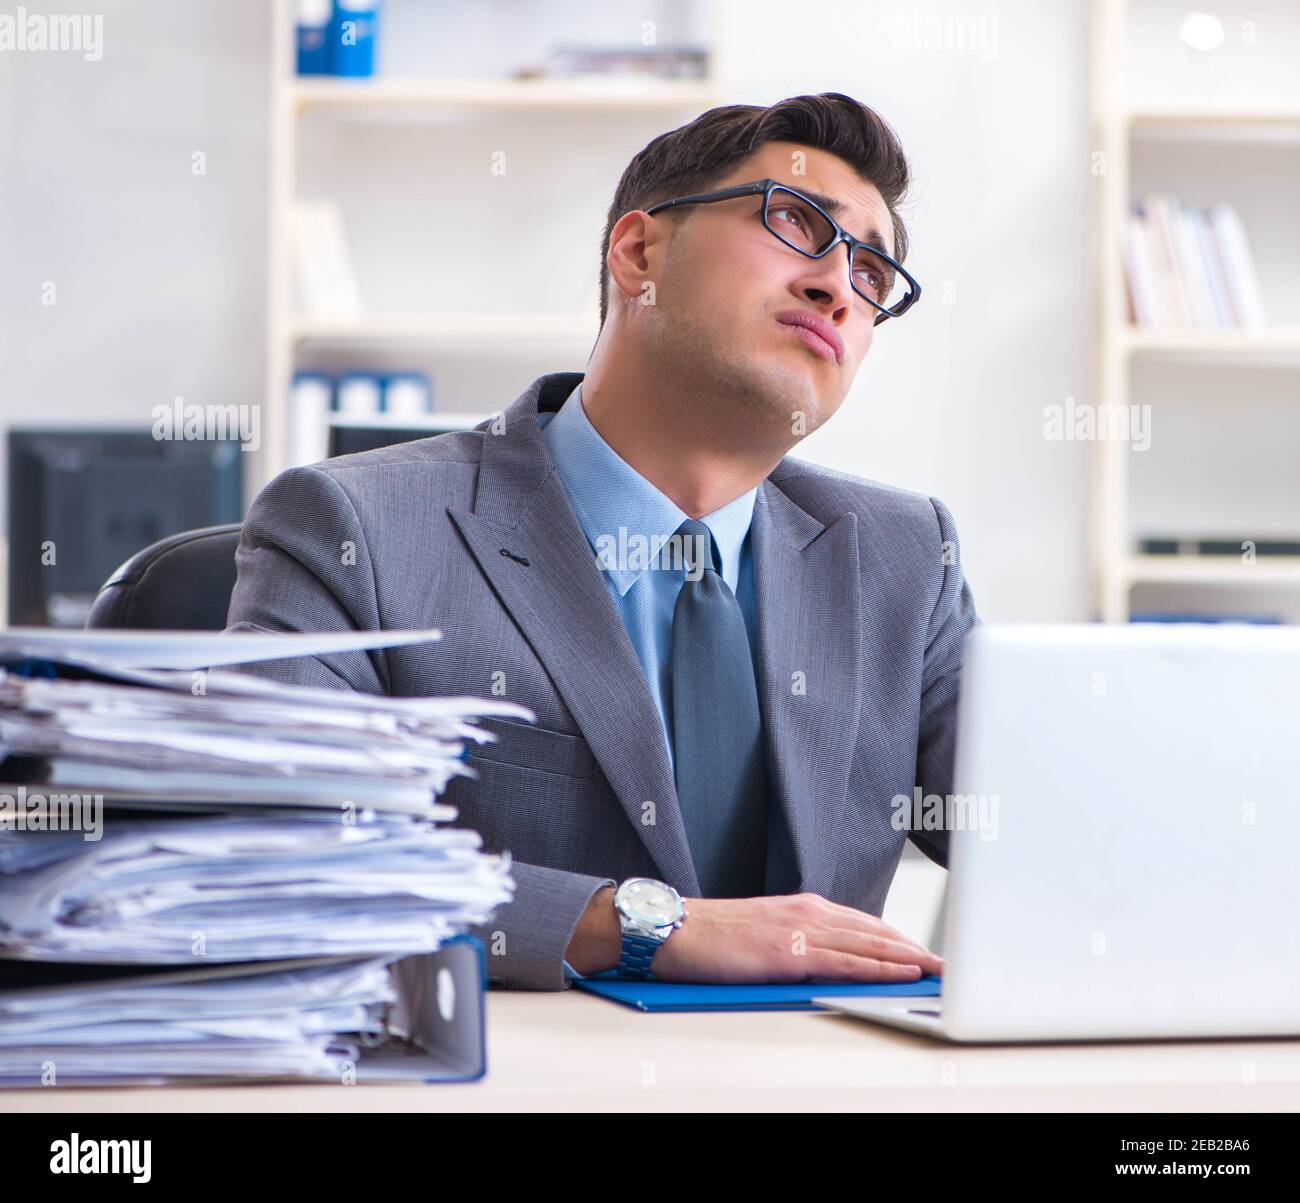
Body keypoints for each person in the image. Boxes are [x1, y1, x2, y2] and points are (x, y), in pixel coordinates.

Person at [226, 92, 976, 990]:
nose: (836, 287)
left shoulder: (904, 557)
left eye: (872, 276)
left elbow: (1057, 834)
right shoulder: (358, 527)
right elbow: (268, 844)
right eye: (798, 223)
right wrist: (637, 924)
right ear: (638, 252)